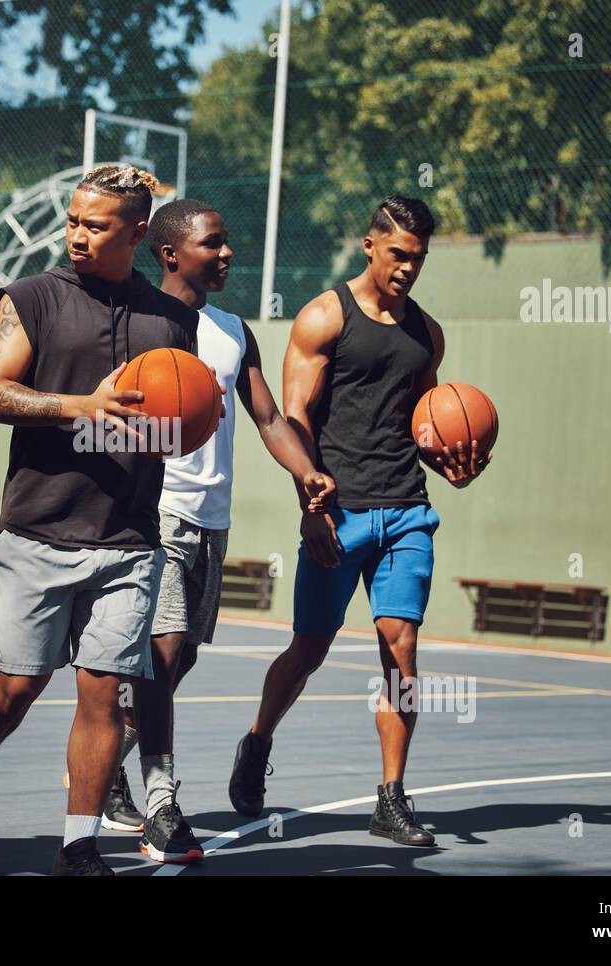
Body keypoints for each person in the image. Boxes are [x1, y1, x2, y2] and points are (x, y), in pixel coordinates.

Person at [0, 165, 208, 876]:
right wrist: (78, 407)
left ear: (137, 232)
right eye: (73, 220)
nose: (78, 235)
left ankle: (78, 846)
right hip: (39, 529)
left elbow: (182, 417)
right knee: (15, 689)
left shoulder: (175, 319)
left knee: (106, 695)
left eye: (96, 224)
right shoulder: (31, 298)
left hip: (129, 538)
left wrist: (176, 429)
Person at [228, 196, 490, 846]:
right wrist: (309, 508)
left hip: (405, 509)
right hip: (337, 511)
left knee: (401, 649)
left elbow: (424, 420)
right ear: (370, 245)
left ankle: (392, 797)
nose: (408, 268)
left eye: (419, 259)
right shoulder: (324, 316)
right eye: (398, 254)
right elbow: (295, 418)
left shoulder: (427, 334)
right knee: (309, 649)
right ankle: (258, 741)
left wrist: (454, 465)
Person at [110, 199, 334, 863]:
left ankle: (102, 757)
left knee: (181, 660)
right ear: (170, 252)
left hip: (213, 519)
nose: (228, 254)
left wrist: (308, 475)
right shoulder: (135, 318)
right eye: (214, 243)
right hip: (156, 510)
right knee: (166, 649)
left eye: (229, 242)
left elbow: (268, 418)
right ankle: (161, 803)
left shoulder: (234, 330)